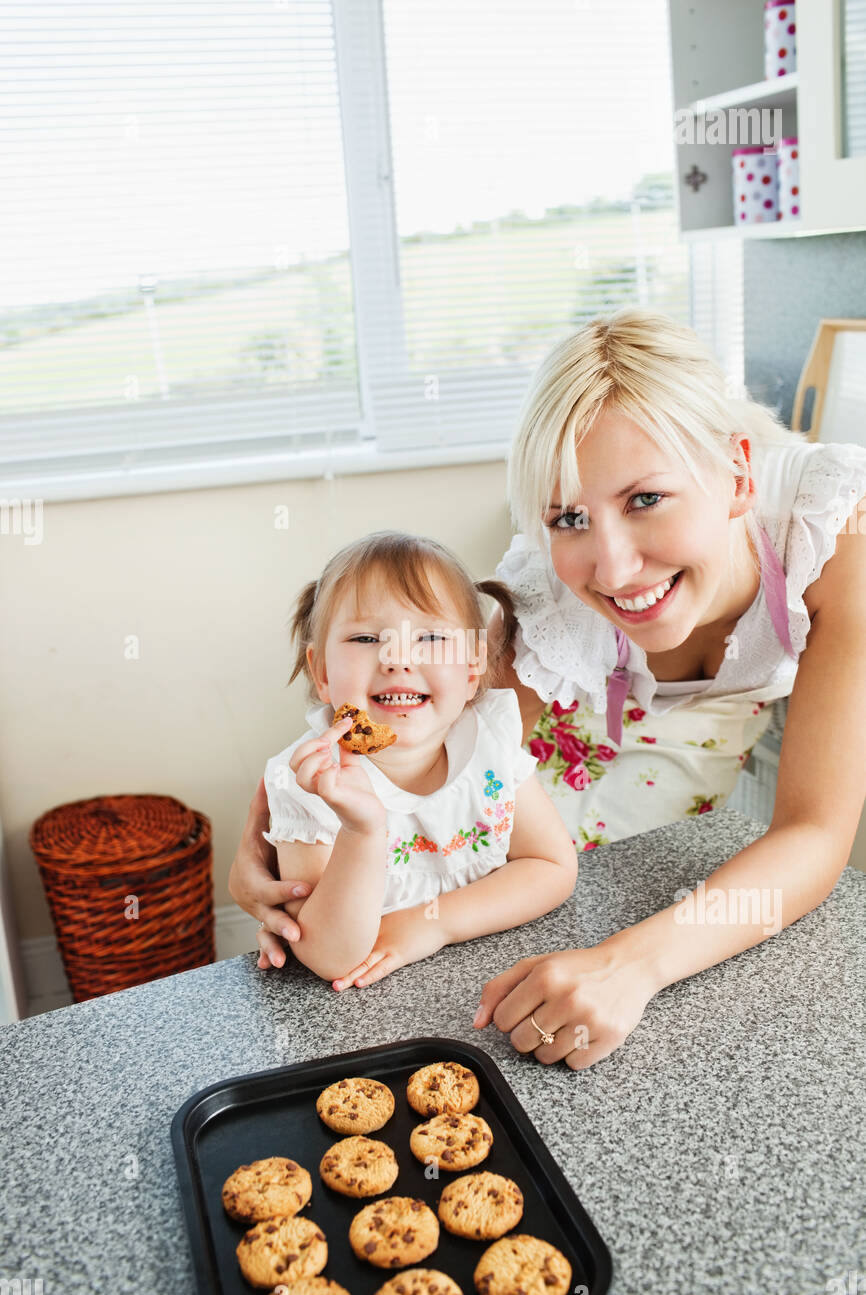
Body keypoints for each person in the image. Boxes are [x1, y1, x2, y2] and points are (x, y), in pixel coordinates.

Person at [230, 309, 866, 1069]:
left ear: (737, 474)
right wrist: (269, 844)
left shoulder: (838, 535)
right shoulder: (550, 607)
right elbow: (424, 766)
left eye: (645, 500)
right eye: (568, 517)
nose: (614, 567)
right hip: (582, 715)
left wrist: (634, 964)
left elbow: (815, 833)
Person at [250, 530, 577, 989]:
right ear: (322, 673)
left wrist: (433, 923)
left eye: (429, 636)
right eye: (365, 637)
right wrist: (362, 830)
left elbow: (552, 867)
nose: (397, 657)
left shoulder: (490, 745)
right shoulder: (310, 785)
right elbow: (329, 956)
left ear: (472, 667)